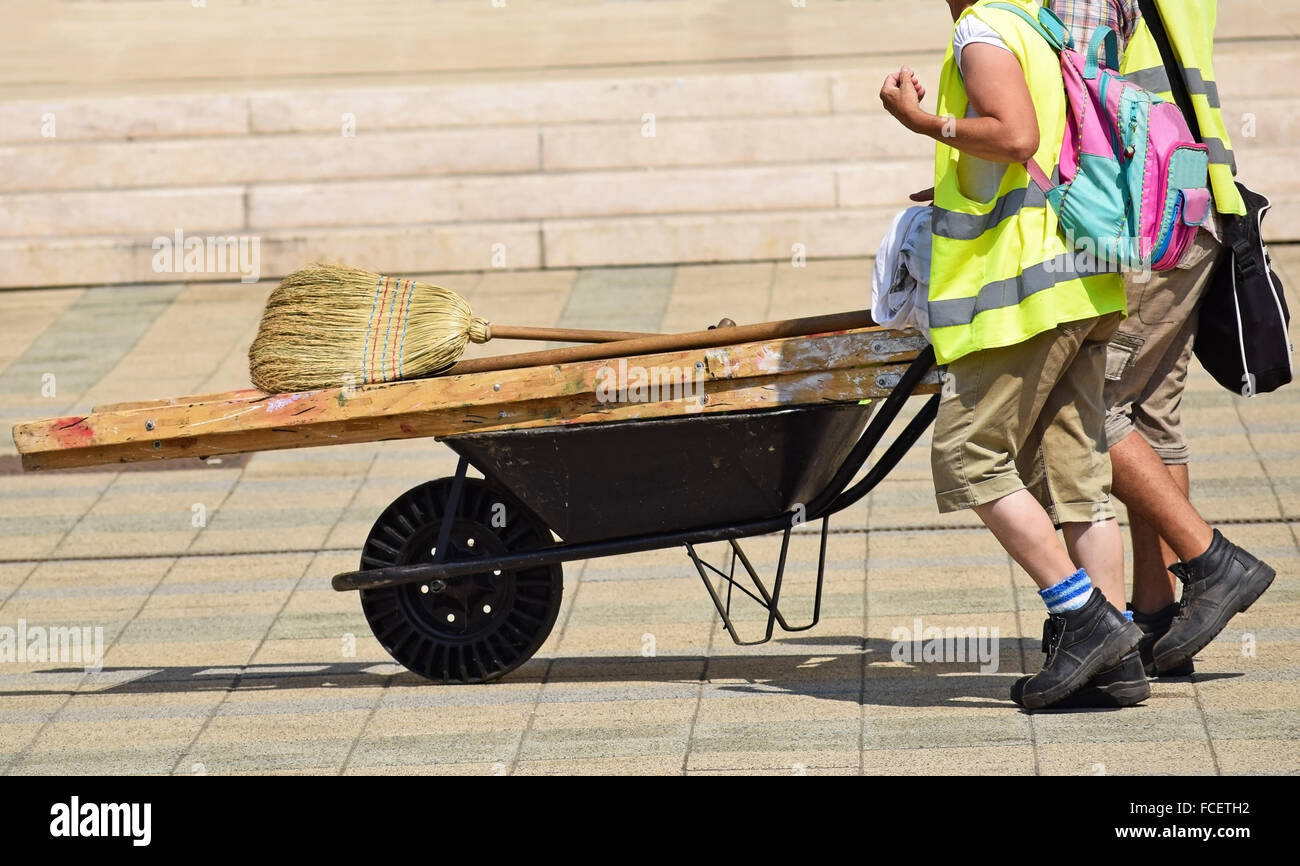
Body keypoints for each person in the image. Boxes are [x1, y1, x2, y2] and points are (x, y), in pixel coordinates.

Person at [879, 0, 1144, 710]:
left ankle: (1083, 618)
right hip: (1084, 279)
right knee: (1075, 471)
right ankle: (1117, 660)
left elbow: (1016, 133)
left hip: (1025, 292)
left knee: (970, 456)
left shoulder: (982, 28)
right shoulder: (1039, 23)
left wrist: (923, 122)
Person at [1047, 0, 1276, 680]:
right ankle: (1155, 609)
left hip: (1138, 217)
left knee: (1084, 407)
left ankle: (1210, 561)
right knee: (1151, 419)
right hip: (1193, 205)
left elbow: (1070, 89)